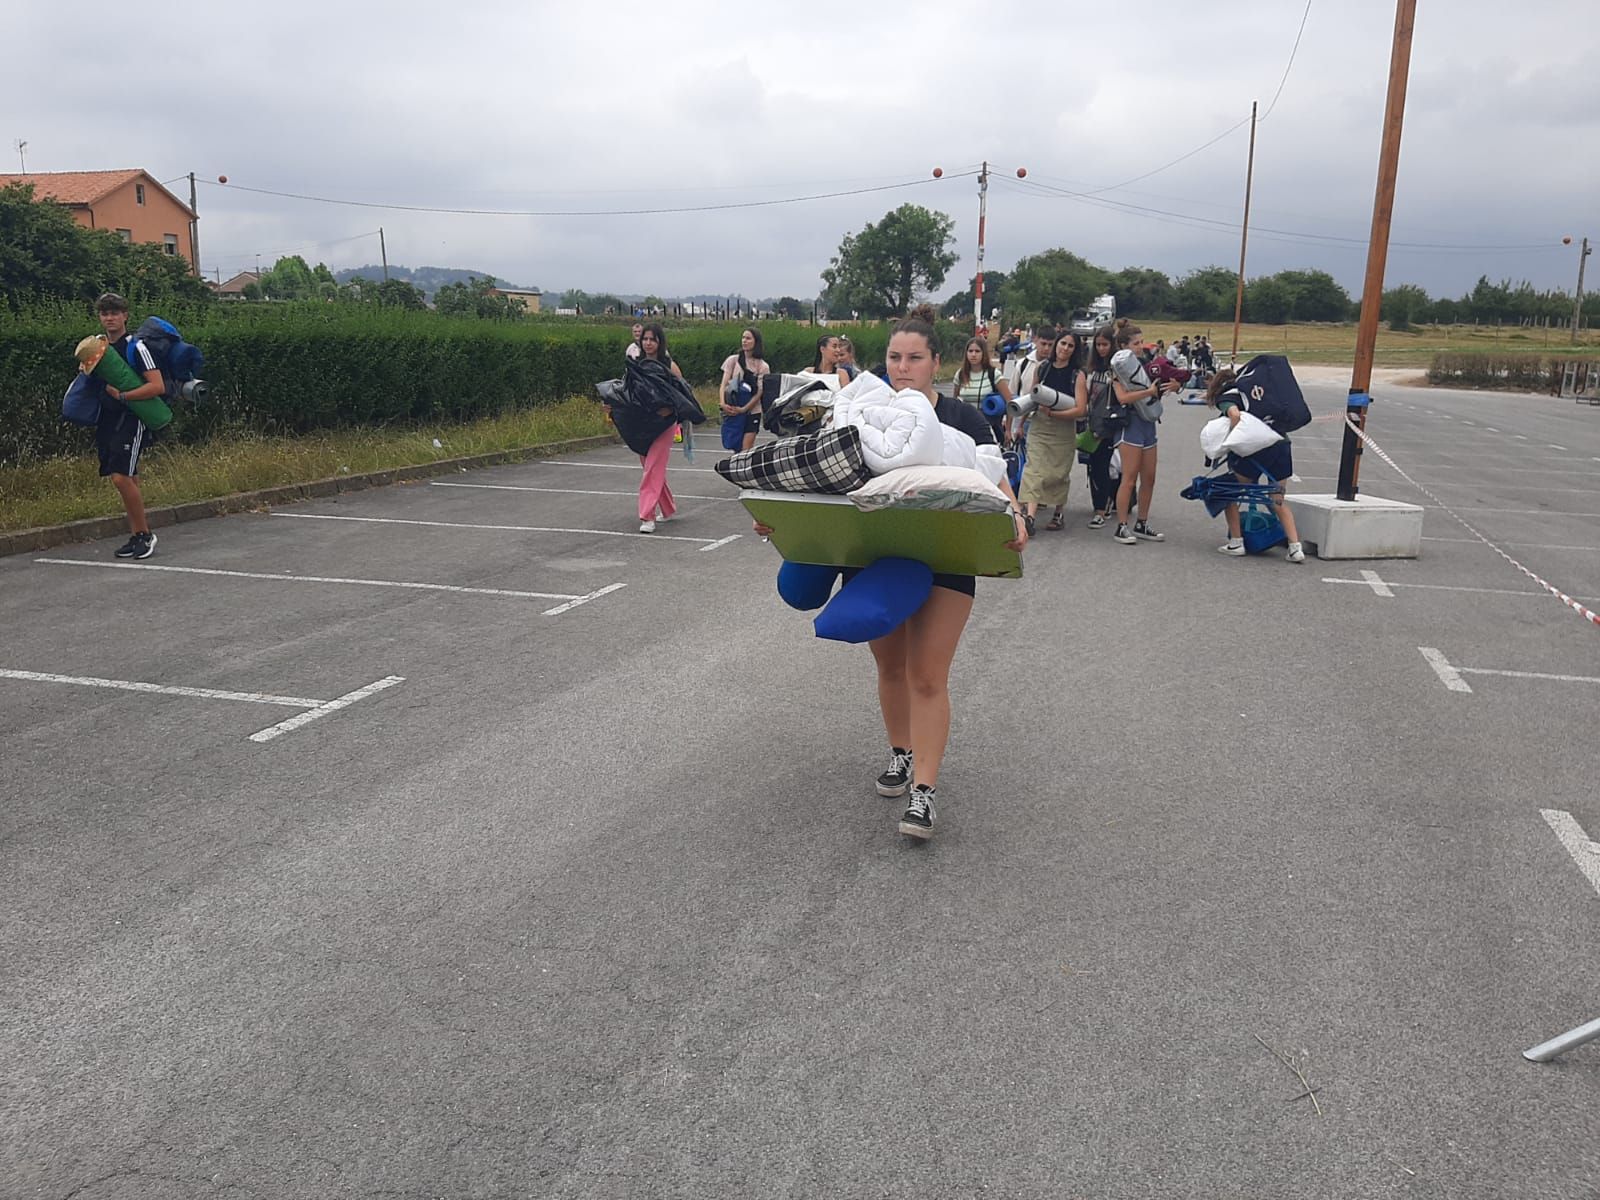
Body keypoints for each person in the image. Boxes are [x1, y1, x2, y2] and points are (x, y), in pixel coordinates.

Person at [750, 305, 1028, 840]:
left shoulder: (963, 420)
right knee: (892, 669)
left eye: (915, 358)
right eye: (895, 357)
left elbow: (995, 480)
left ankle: (924, 791)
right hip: (873, 557)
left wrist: (1014, 514)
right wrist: (782, 522)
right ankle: (900, 753)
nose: (903, 367)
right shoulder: (855, 413)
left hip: (947, 556)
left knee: (928, 674)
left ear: (935, 363)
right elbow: (820, 480)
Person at [1204, 369, 1306, 563]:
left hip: (1258, 450)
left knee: (1229, 493)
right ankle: (1295, 548)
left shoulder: (1227, 397)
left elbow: (1234, 415)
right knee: (1277, 498)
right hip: (1282, 444)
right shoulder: (1256, 393)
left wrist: (1232, 440)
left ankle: (1236, 542)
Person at [92, 293, 162, 559]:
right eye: (104, 313)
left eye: (114, 312)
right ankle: (136, 535)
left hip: (134, 416)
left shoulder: (137, 347)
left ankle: (145, 535)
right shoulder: (100, 347)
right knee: (128, 477)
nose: (109, 318)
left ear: (125, 315)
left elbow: (157, 386)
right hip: (109, 417)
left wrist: (123, 396)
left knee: (121, 476)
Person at [1110, 319, 1181, 545]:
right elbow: (1122, 397)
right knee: (1129, 478)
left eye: (1141, 342)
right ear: (1123, 347)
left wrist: (1175, 385)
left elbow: (1169, 380)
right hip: (1130, 424)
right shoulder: (1118, 369)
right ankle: (1121, 526)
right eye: (1135, 344)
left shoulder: (1146, 365)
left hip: (1148, 424)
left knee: (1149, 477)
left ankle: (1142, 522)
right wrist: (1147, 392)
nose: (1140, 347)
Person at [1014, 329, 1088, 533]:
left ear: (1075, 350)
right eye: (1063, 343)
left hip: (1063, 427)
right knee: (1034, 469)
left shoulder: (1077, 375)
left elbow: (1081, 409)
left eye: (1070, 345)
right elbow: (1032, 398)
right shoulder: (1044, 368)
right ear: (1057, 344)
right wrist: (1020, 424)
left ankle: (1058, 512)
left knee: (1058, 472)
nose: (1065, 348)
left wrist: (1055, 414)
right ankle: (1029, 517)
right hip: (1039, 424)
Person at [630, 324, 685, 532]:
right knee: (649, 467)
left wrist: (670, 410)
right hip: (642, 423)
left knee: (652, 467)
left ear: (659, 342)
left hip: (665, 423)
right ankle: (668, 508)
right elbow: (628, 391)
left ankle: (647, 516)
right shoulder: (636, 364)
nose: (648, 343)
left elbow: (682, 394)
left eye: (652, 339)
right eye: (645, 339)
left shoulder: (669, 365)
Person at [1082, 325, 1124, 528]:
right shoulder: (1091, 370)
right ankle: (1100, 502)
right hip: (1091, 424)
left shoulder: (1116, 370)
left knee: (1107, 467)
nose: (1101, 349)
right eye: (1098, 345)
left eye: (1105, 344)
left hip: (1111, 424)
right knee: (1095, 467)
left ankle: (1102, 508)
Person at [950, 336, 1012, 446]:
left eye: (977, 351)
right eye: (970, 351)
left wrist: (1008, 429)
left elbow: (1009, 402)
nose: (973, 354)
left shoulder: (994, 374)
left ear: (983, 353)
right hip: (965, 429)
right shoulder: (960, 375)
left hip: (988, 428)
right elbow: (954, 403)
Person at [716, 326, 770, 452]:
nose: (744, 341)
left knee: (745, 450)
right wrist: (723, 403)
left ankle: (744, 470)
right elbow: (724, 384)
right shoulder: (733, 360)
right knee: (735, 445)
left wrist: (744, 409)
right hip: (733, 408)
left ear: (756, 342)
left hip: (752, 411)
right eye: (743, 338)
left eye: (748, 338)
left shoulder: (762, 366)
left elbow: (760, 392)